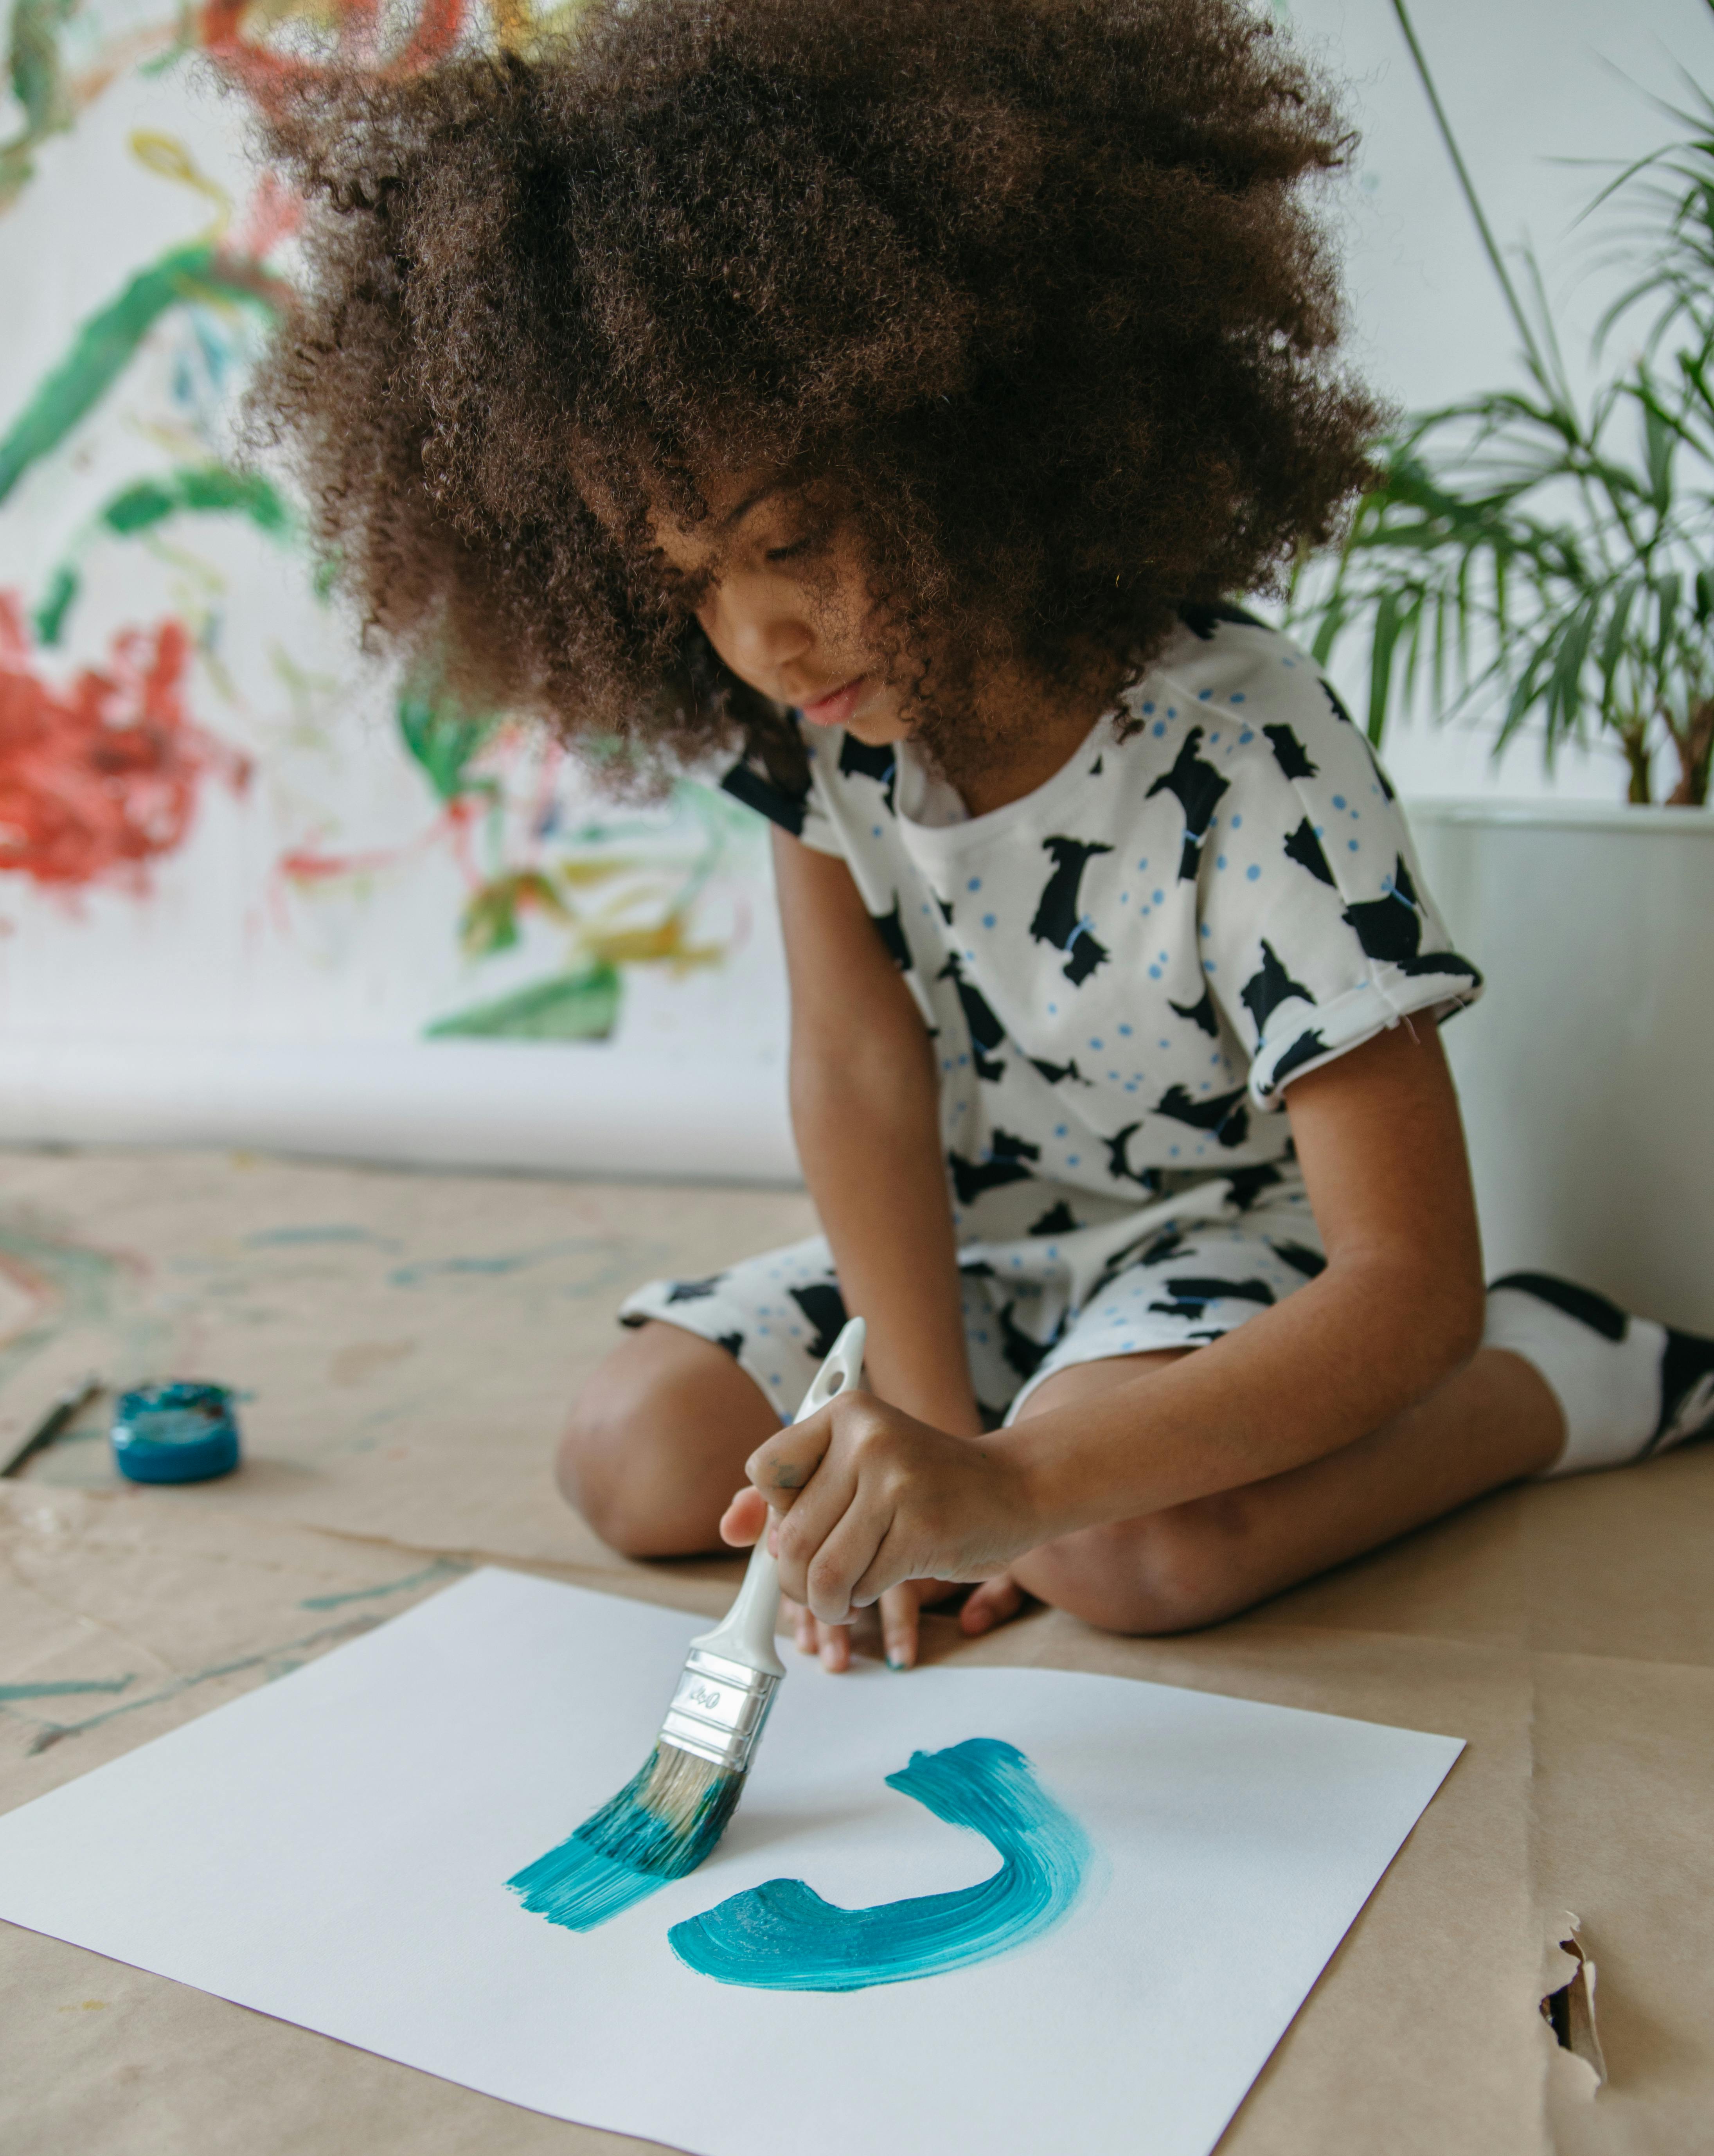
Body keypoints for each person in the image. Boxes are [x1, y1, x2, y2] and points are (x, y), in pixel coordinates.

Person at [253, 0, 1714, 1672]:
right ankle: (1034, 1429)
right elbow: (862, 1079)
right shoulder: (818, 741)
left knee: (1130, 1554)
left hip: (1223, 1261)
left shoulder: (1243, 746)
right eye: (691, 579)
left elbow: (1404, 1283)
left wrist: (1012, 1481)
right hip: (977, 1258)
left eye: (791, 535)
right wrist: (932, 1441)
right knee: (634, 1449)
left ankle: (1553, 1384)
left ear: (974, 424)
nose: (765, 639)